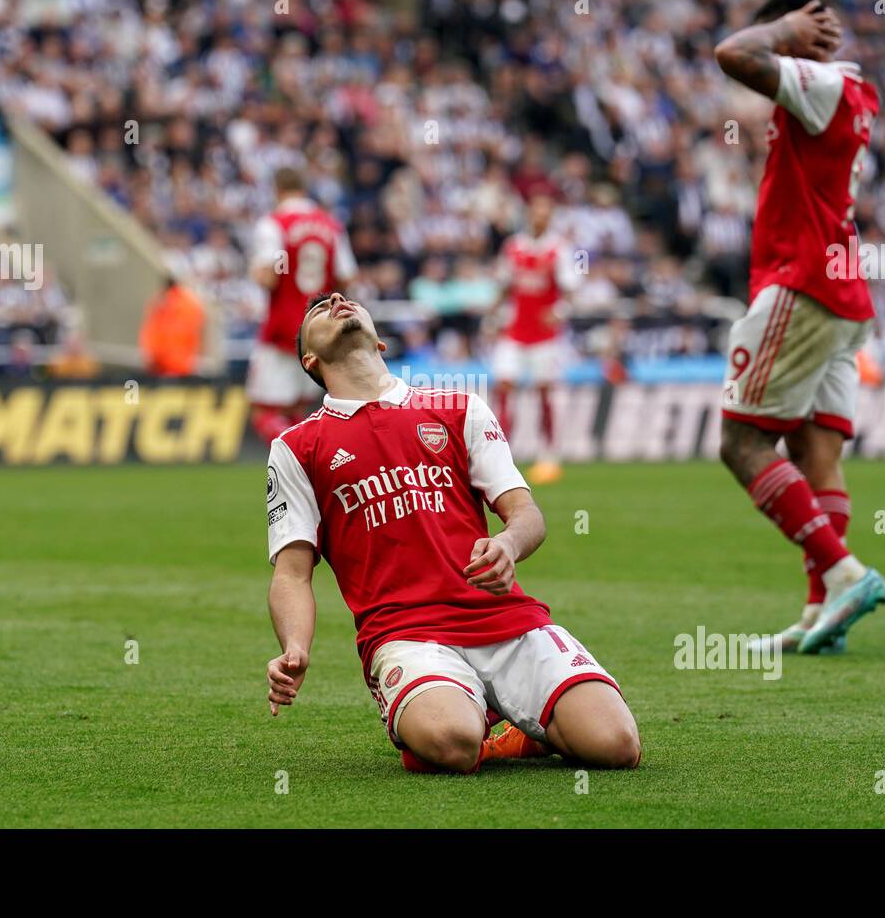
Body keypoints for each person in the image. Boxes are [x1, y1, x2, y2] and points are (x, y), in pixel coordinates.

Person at [263, 291, 640, 773]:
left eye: (347, 299)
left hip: (506, 621)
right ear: (309, 359)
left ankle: (511, 729)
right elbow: (292, 573)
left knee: (616, 745)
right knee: (454, 744)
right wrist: (294, 648)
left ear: (380, 343)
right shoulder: (297, 447)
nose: (337, 299)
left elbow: (527, 516)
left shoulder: (461, 408)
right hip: (405, 634)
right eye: (318, 309)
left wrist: (508, 543)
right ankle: (466, 718)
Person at [713, 0, 885, 654]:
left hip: (803, 284)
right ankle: (824, 614)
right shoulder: (854, 95)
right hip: (845, 294)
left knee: (741, 444)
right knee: (815, 455)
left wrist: (781, 29)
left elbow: (731, 52)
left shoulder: (818, 84)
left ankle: (844, 574)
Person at [247, 167, 357, 445]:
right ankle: (307, 468)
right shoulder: (331, 225)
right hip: (318, 330)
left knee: (262, 411)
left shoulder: (274, 223)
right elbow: (348, 277)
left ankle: (296, 453)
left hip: (281, 329)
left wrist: (255, 272)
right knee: (297, 409)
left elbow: (268, 276)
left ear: (277, 190)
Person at [491, 193, 579, 485]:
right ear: (529, 214)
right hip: (514, 331)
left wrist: (560, 311)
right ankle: (504, 454)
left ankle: (549, 454)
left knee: (544, 392)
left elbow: (570, 289)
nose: (539, 216)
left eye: (545, 212)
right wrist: (493, 316)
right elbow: (504, 286)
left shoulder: (560, 249)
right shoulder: (513, 246)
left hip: (545, 336)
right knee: (504, 386)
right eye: (535, 211)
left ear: (550, 216)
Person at [139, 277, 205, 377]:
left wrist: (151, 354)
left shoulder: (160, 301)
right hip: (182, 362)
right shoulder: (190, 302)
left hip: (166, 362)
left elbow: (152, 332)